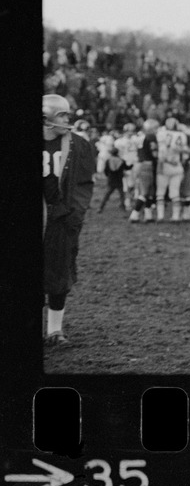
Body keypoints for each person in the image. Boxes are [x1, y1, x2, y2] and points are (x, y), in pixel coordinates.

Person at [42, 94, 96, 346]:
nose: (68, 119)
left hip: (61, 219)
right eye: (62, 115)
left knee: (58, 273)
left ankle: (54, 330)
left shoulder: (78, 145)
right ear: (46, 118)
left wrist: (73, 216)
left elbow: (84, 186)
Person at [155, 117, 188, 223]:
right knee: (175, 192)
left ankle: (160, 216)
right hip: (177, 166)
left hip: (165, 165)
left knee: (160, 192)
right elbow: (185, 154)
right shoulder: (181, 135)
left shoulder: (161, 134)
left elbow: (162, 152)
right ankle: (176, 216)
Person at [129, 118, 159, 223]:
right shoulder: (151, 136)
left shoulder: (140, 136)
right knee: (145, 192)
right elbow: (154, 152)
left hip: (140, 164)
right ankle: (135, 214)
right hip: (147, 165)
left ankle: (148, 214)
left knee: (149, 191)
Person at [97, 147, 127, 214]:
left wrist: (108, 176)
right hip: (119, 180)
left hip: (111, 180)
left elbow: (106, 170)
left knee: (107, 194)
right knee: (122, 195)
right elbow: (127, 167)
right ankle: (123, 207)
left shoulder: (108, 160)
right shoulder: (121, 160)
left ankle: (101, 207)